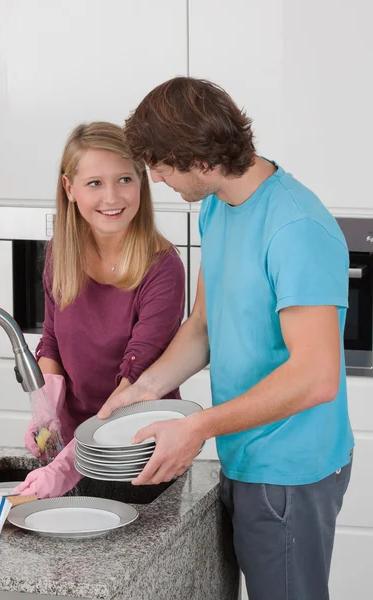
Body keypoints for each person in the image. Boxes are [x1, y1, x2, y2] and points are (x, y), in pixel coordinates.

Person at [97, 78, 354, 600]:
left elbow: (317, 376)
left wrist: (197, 427)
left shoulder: (295, 227)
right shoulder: (217, 207)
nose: (158, 179)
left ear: (197, 159)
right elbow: (203, 328)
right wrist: (142, 390)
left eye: (161, 167)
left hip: (290, 471)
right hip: (245, 452)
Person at [14, 121, 185, 500]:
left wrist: (65, 468)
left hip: (138, 454)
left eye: (125, 179)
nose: (112, 197)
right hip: (75, 447)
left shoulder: (162, 267)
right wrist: (47, 411)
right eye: (95, 183)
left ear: (141, 181)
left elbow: (136, 384)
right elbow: (53, 344)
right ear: (69, 189)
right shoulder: (62, 254)